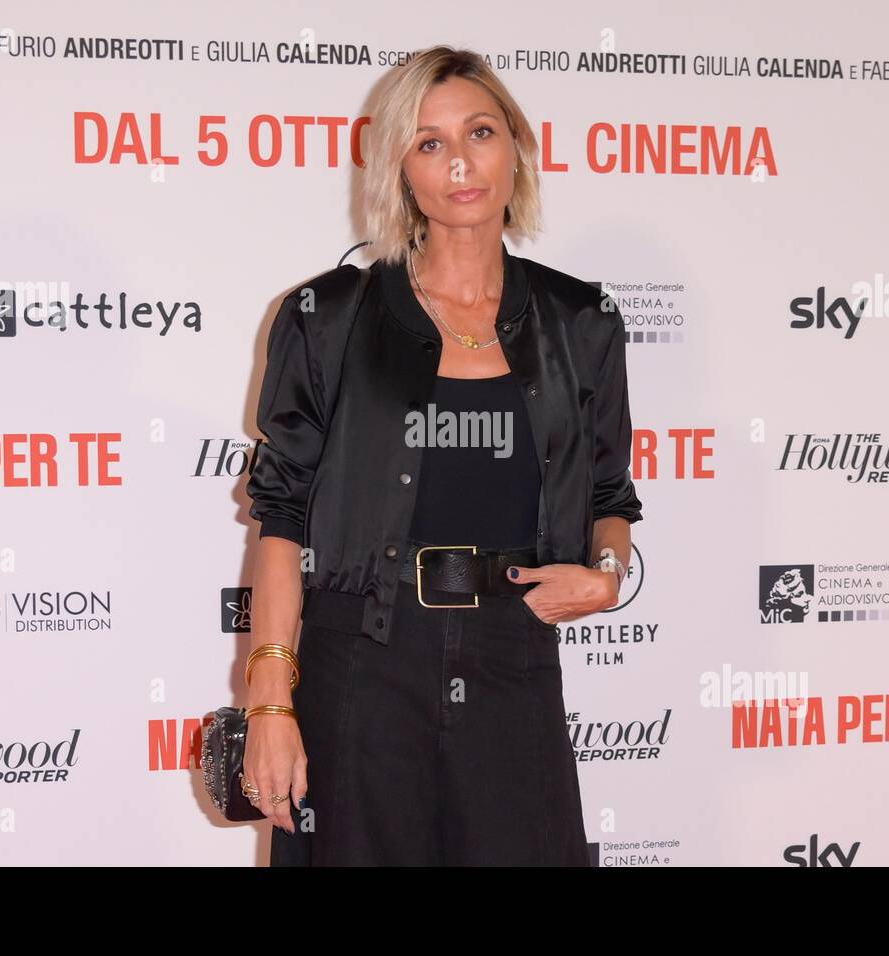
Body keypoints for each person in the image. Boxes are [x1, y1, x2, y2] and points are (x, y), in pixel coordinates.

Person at [241, 45, 643, 866]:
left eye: (481, 131)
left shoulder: (581, 322)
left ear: (517, 149)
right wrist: (271, 703)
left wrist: (605, 575)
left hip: (512, 660)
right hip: (361, 663)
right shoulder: (328, 317)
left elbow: (609, 494)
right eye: (428, 142)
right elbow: (282, 514)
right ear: (399, 169)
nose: (460, 160)